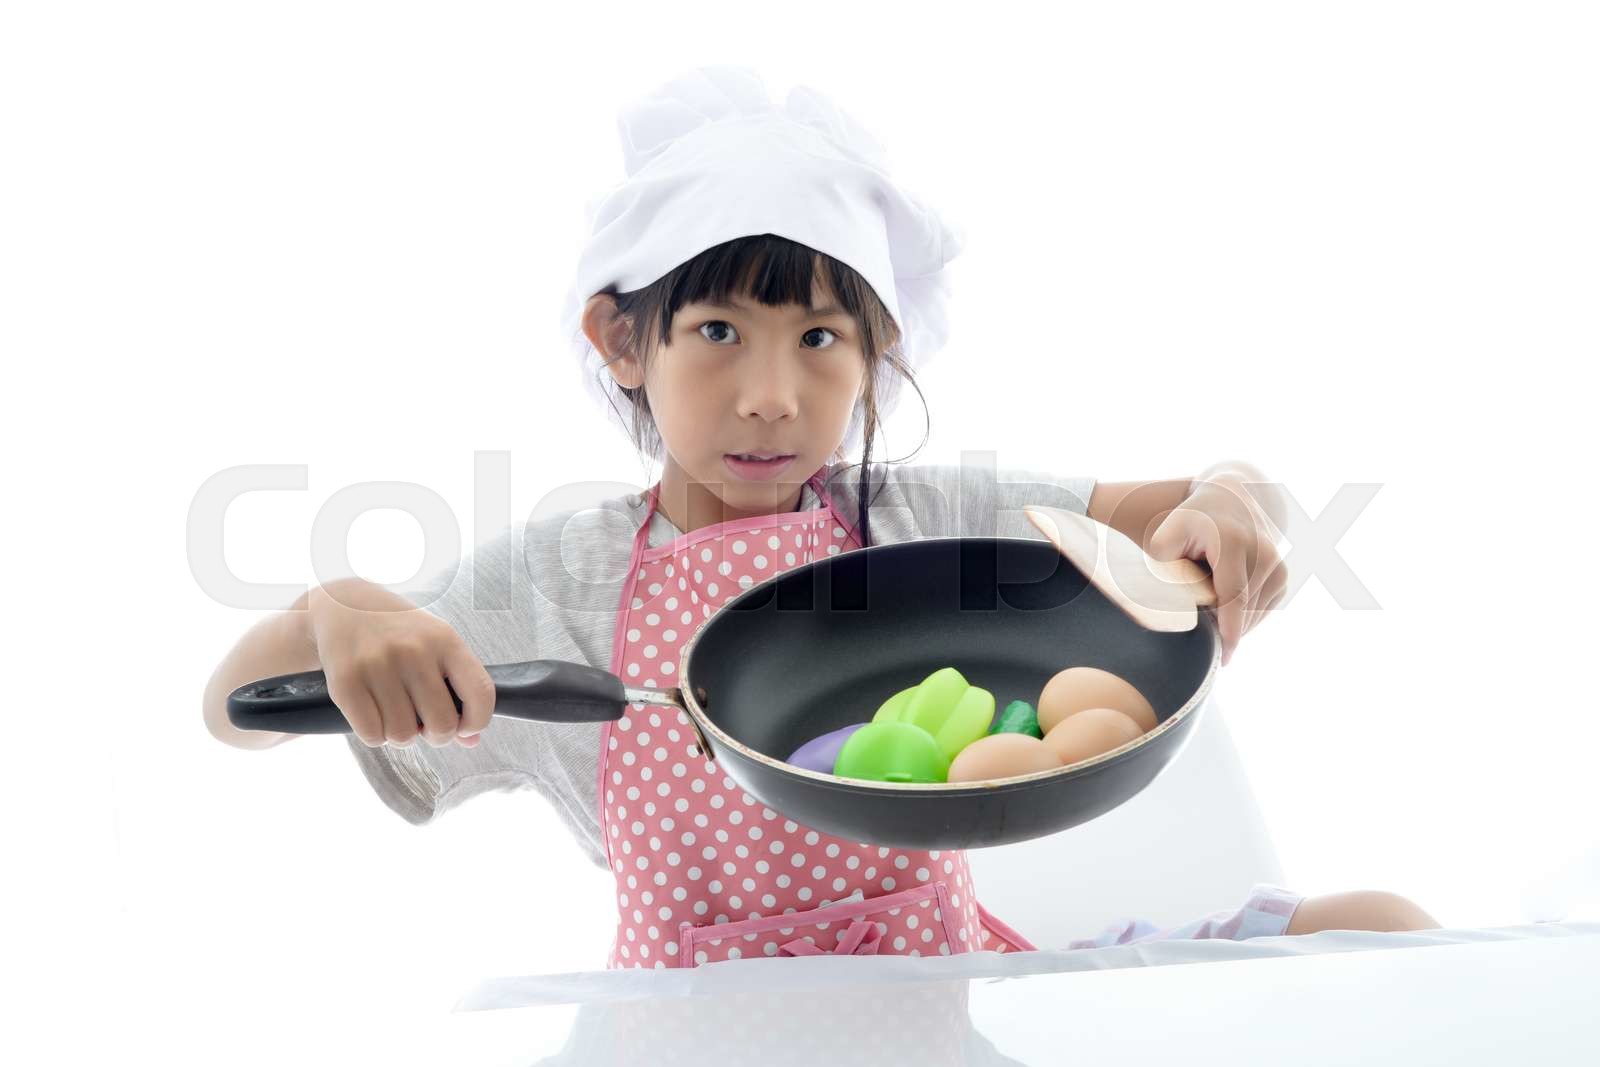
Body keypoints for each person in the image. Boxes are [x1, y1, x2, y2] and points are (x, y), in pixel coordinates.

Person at [201, 65, 1438, 969]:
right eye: (718, 331)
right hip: (695, 1041)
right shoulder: (561, 585)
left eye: (820, 336)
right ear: (621, 338)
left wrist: (1237, 497)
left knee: (1379, 928)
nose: (771, 395)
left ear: (876, 348)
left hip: (948, 997)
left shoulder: (923, 522)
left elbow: (1181, 499)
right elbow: (234, 715)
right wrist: (339, 609)